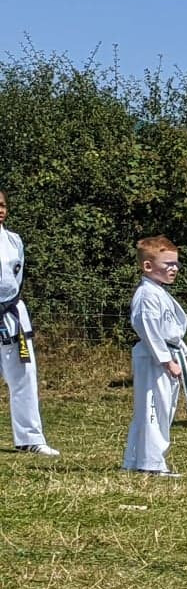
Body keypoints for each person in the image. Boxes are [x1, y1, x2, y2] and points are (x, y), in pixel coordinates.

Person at [124, 236, 187, 477]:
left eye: (176, 264)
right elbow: (150, 331)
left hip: (166, 354)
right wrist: (167, 360)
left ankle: (135, 459)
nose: (173, 269)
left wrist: (181, 356)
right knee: (154, 409)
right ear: (148, 266)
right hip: (154, 358)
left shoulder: (158, 292)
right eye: (167, 264)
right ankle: (152, 463)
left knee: (159, 409)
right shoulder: (146, 295)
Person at [0, 191, 57, 457]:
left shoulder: (14, 240)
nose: (0, 210)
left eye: (2, 205)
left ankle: (29, 438)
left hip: (11, 315)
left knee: (23, 375)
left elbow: (17, 277)